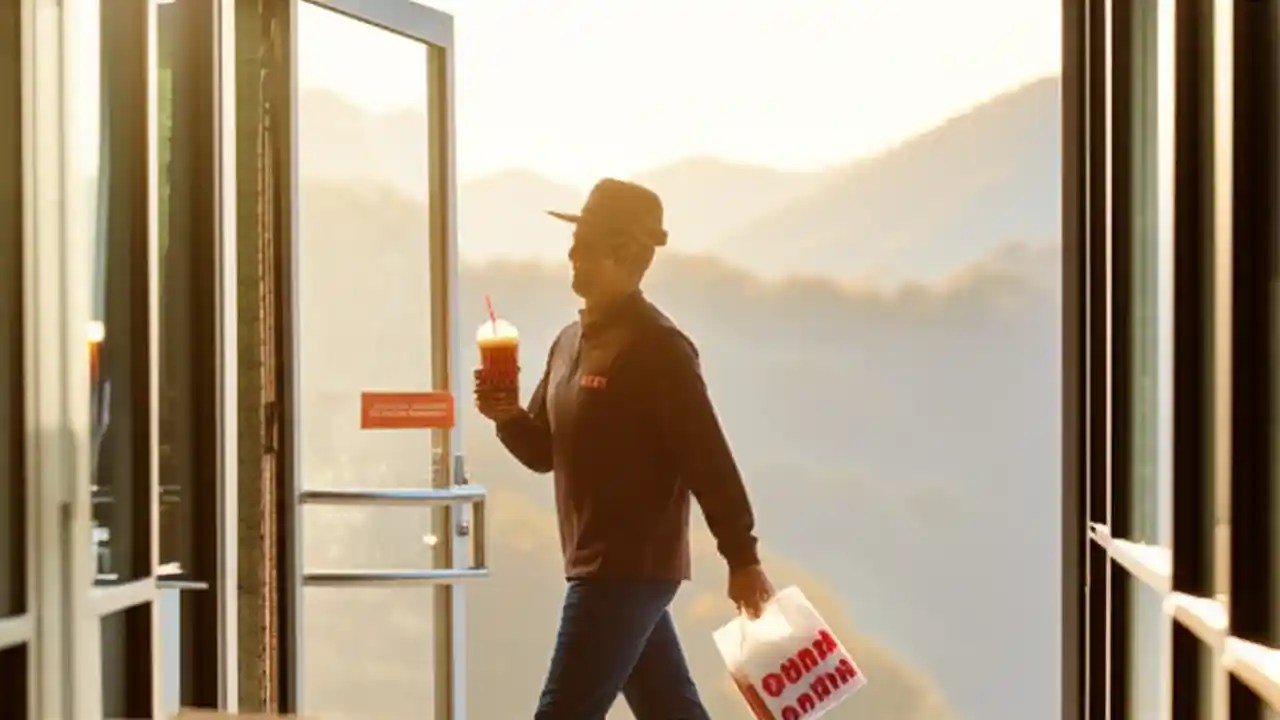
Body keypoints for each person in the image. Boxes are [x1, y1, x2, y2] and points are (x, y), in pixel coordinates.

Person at [474, 178, 776, 719]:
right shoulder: (568, 343)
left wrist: (742, 556)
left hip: (627, 567)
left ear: (627, 254)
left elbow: (707, 457)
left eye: (585, 240)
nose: (571, 252)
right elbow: (544, 451)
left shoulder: (660, 349)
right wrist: (505, 417)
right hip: (597, 563)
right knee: (669, 709)